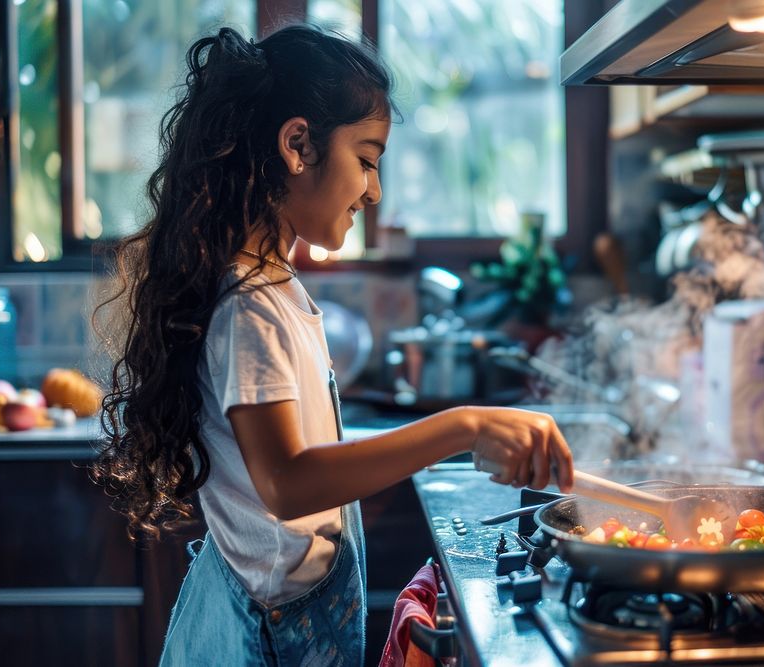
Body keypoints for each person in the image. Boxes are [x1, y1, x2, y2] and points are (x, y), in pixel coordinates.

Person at [91, 23, 574, 667]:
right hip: (270, 637)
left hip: (293, 619)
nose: (375, 191)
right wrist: (463, 426)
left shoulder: (276, 287)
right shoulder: (250, 305)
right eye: (367, 160)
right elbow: (287, 481)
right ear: (298, 145)